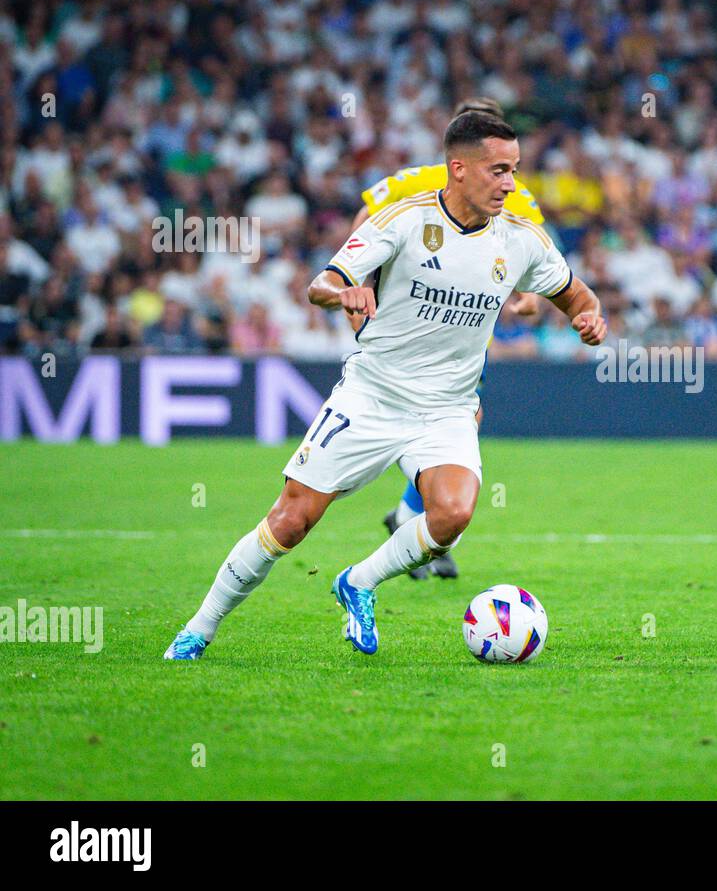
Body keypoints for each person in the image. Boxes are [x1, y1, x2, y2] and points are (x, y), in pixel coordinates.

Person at [164, 112, 606, 660]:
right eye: (498, 171)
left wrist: (589, 319)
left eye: (514, 171)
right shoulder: (401, 220)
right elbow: (321, 283)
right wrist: (342, 293)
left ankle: (359, 582)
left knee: (453, 514)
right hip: (373, 396)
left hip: (446, 408)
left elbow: (577, 296)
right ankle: (200, 628)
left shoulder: (522, 240)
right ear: (459, 168)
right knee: (291, 521)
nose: (511, 184)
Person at [350, 97, 546, 579]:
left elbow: (532, 258)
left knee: (461, 419)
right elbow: (364, 223)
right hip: (403, 328)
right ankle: (412, 520)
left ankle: (409, 516)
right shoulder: (417, 181)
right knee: (449, 417)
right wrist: (361, 281)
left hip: (462, 336)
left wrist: (527, 297)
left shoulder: (515, 193)